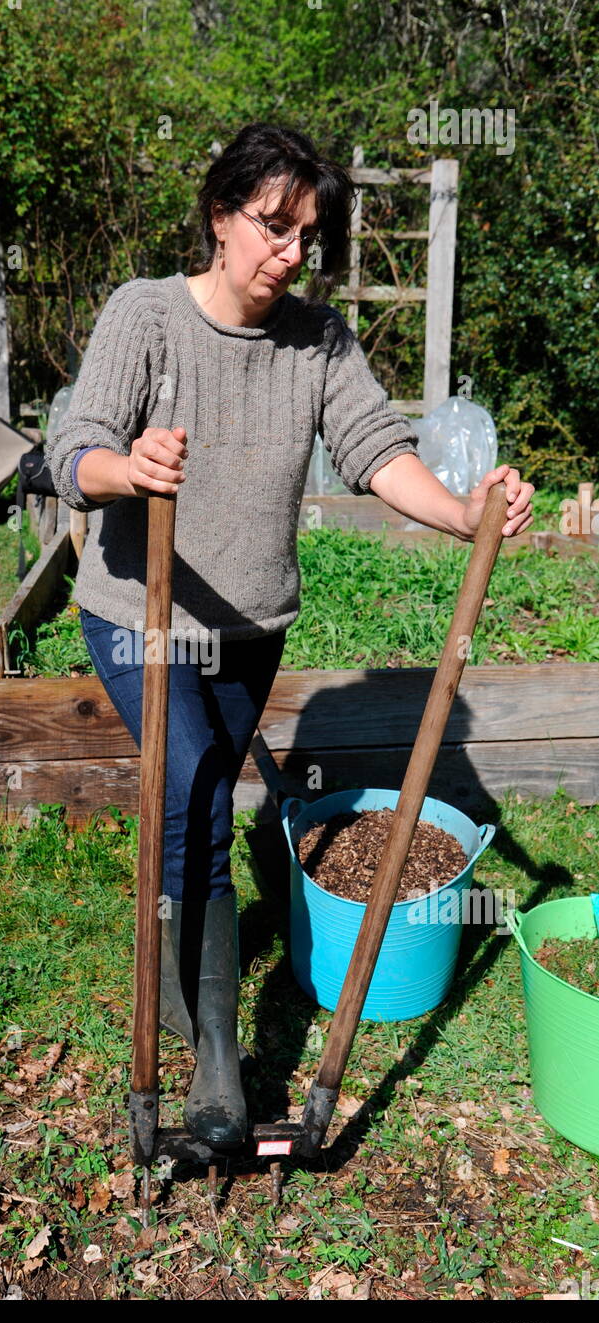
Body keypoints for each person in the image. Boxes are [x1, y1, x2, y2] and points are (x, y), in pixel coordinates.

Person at [47, 122, 534, 1152]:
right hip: (145, 609)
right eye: (271, 227)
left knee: (202, 802)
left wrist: (465, 512)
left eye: (305, 234)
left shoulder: (318, 342)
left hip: (249, 624)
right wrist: (127, 469)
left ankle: (181, 973)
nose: (289, 252)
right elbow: (71, 446)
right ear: (220, 217)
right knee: (189, 788)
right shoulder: (145, 315)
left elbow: (373, 450)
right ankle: (220, 1071)